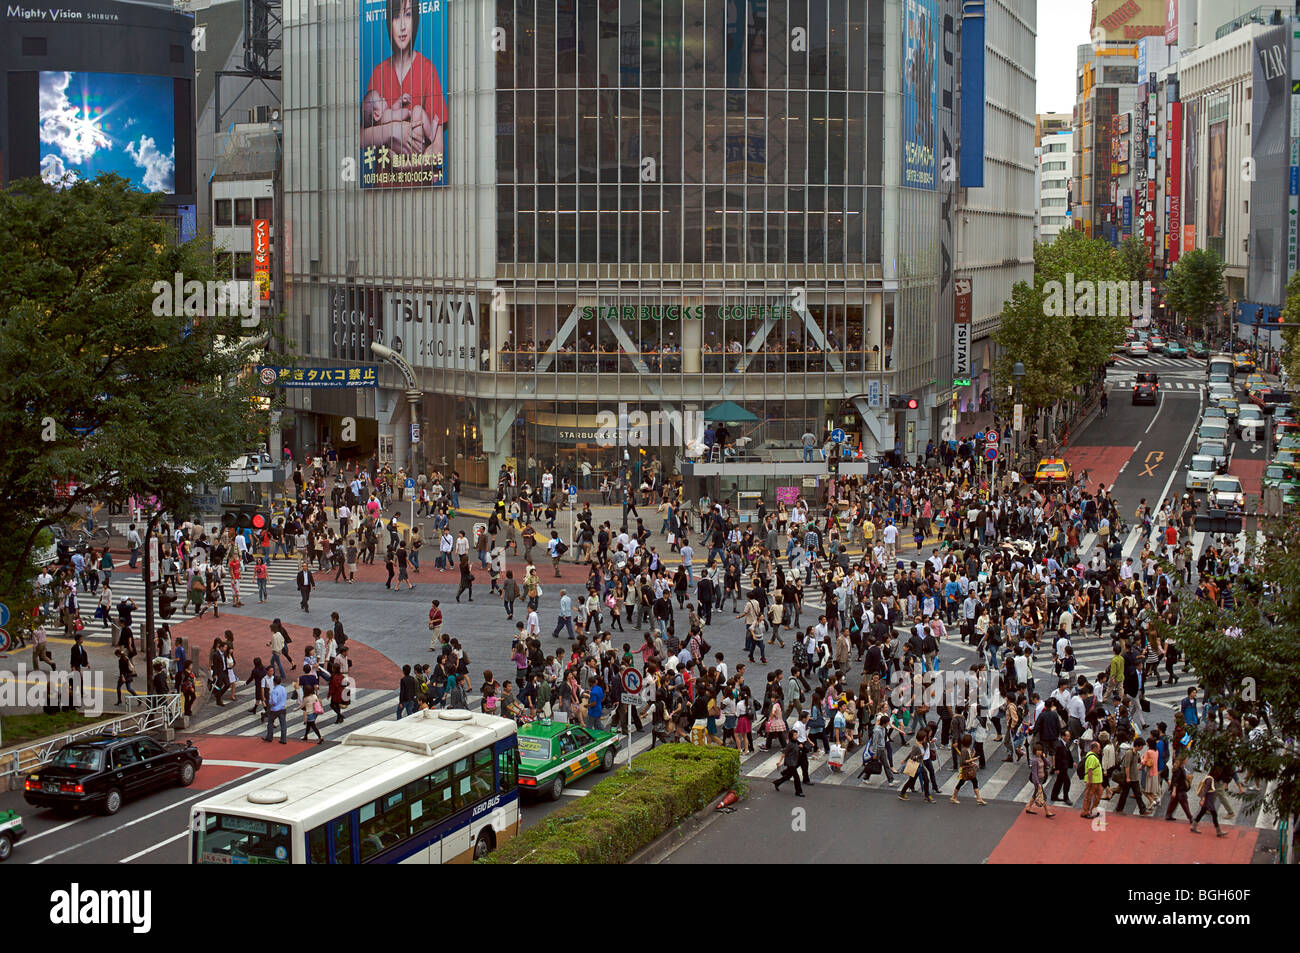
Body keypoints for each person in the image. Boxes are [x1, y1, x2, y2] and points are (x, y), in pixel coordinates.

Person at [1190, 770, 1227, 837]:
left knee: (1201, 813)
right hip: (1208, 802)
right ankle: (1218, 831)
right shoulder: (1210, 779)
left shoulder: (1210, 778)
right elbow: (1205, 789)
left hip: (1208, 801)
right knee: (1214, 814)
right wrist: (1203, 799)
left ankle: (1194, 826)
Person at [1025, 741, 1055, 817]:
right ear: (1035, 751)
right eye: (1038, 750)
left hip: (1042, 778)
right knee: (1043, 795)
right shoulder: (1035, 760)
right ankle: (1047, 812)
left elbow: (1048, 764)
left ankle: (1028, 807)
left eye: (1040, 750)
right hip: (1037, 780)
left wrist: (1044, 757)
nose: (1039, 752)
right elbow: (1034, 773)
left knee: (1035, 794)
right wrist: (1037, 783)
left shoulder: (1041, 758)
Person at [262, 675, 289, 744]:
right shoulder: (283, 688)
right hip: (283, 708)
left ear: (274, 682)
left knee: (270, 722)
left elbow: (274, 701)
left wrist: (269, 703)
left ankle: (269, 737)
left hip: (275, 709)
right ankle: (283, 739)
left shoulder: (274, 691)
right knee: (283, 724)